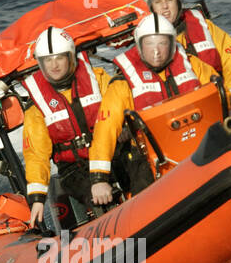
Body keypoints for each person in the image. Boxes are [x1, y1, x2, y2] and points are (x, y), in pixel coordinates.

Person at [87, 13, 219, 206]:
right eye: (149, 44)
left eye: (162, 44)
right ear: (139, 46)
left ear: (172, 44)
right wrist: (99, 179)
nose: (156, 51)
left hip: (201, 146)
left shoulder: (194, 67)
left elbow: (220, 99)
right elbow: (105, 130)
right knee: (144, 197)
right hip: (151, 160)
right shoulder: (122, 85)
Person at [20, 26, 113, 227]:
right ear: (41, 64)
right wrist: (37, 199)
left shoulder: (98, 79)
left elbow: (117, 114)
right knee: (98, 199)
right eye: (48, 60)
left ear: (70, 58)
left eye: (59, 58)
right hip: (75, 168)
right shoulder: (36, 107)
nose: (54, 65)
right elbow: (36, 154)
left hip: (112, 152)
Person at [141, 0, 231, 103]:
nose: (165, 7)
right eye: (158, 1)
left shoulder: (204, 26)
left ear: (178, 2)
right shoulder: (145, 43)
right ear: (151, 8)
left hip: (220, 99)